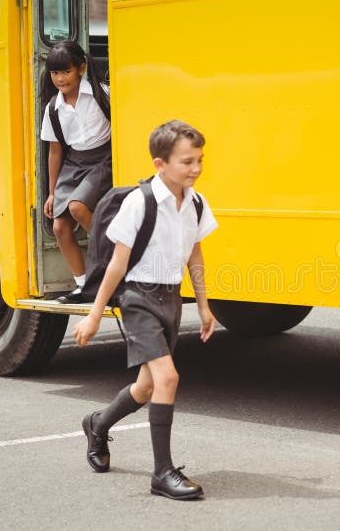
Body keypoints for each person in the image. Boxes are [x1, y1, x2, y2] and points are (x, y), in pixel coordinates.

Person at [73, 120, 218, 500]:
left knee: (147, 386)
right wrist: (94, 314)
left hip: (171, 299)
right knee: (168, 378)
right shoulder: (140, 203)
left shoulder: (196, 202)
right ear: (160, 163)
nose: (196, 168)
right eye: (187, 161)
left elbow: (196, 256)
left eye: (199, 160)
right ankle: (162, 473)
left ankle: (97, 424)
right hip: (139, 300)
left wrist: (204, 306)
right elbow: (116, 265)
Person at [40, 41, 113, 303]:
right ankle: (84, 286)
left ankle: (116, 255)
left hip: (104, 159)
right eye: (55, 73)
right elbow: (55, 151)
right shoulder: (53, 108)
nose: (60, 78)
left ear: (81, 69)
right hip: (75, 163)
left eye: (66, 72)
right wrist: (52, 193)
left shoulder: (101, 94)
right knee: (59, 226)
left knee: (77, 207)